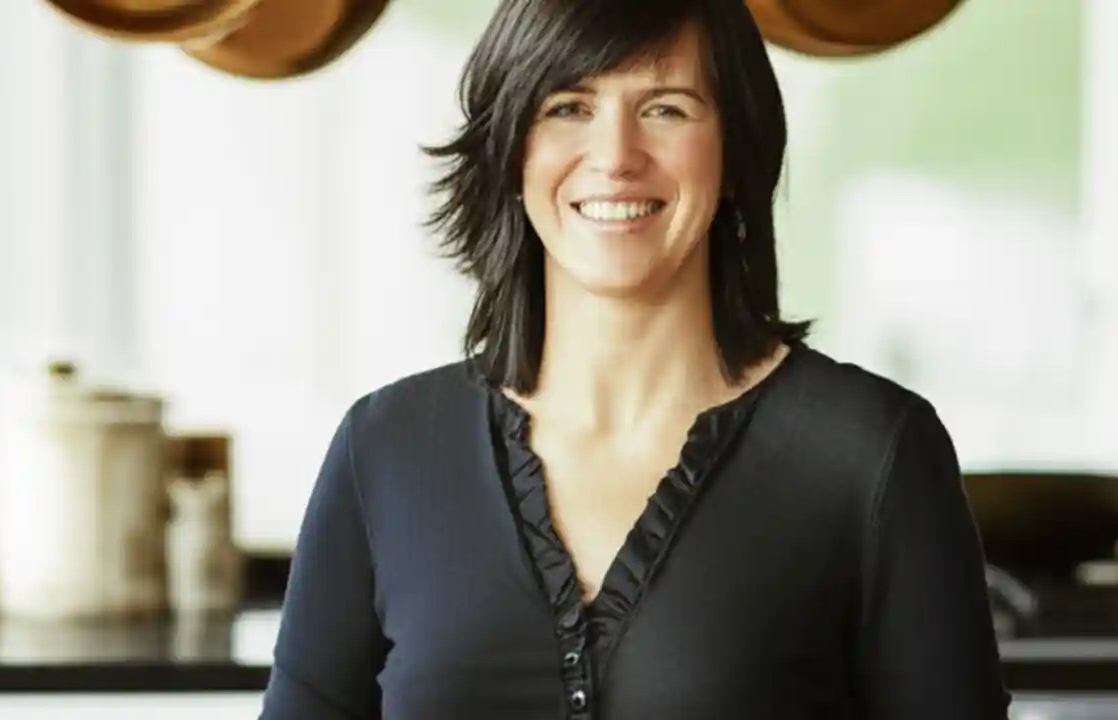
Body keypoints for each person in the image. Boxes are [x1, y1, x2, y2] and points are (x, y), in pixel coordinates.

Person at [259, 0, 1012, 717]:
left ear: (733, 149)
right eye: (568, 107)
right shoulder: (385, 451)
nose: (616, 156)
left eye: (666, 109)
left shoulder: (872, 455)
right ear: (512, 149)